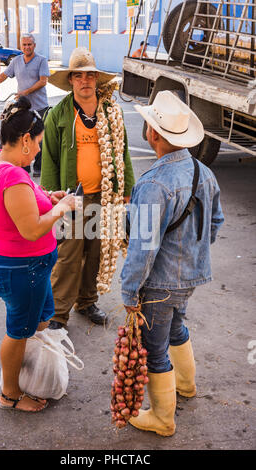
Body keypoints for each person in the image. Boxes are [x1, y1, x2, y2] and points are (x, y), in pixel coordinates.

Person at [121, 91, 224, 436]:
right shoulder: (202, 172)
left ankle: (163, 419)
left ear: (152, 134)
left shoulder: (153, 184)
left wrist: (130, 290)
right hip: (191, 277)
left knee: (154, 348)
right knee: (177, 327)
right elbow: (216, 222)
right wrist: (193, 253)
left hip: (161, 283)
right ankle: (187, 385)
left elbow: (143, 249)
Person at [0, 96, 79, 412]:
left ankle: (30, 373)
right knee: (18, 331)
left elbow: (21, 203)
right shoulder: (13, 176)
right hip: (21, 269)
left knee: (40, 320)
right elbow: (32, 229)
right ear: (24, 140)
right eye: (37, 142)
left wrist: (49, 197)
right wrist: (60, 209)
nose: (38, 149)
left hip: (25, 266)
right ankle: (10, 394)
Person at [41, 47, 135, 330]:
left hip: (105, 196)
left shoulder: (111, 112)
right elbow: (49, 158)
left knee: (97, 251)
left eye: (90, 75)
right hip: (73, 198)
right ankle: (58, 313)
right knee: (69, 254)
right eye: (78, 75)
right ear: (70, 80)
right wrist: (52, 197)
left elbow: (123, 151)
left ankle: (87, 301)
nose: (85, 81)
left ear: (96, 79)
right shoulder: (58, 114)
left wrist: (127, 187)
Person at [0, 33, 49, 176]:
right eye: (24, 45)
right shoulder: (16, 61)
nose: (27, 47)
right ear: (21, 46)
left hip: (40, 105)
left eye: (29, 44)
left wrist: (26, 91)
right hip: (24, 107)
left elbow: (43, 81)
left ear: (34, 46)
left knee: (38, 138)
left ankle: (38, 168)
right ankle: (25, 166)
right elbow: (3, 75)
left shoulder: (41, 60)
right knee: (23, 138)